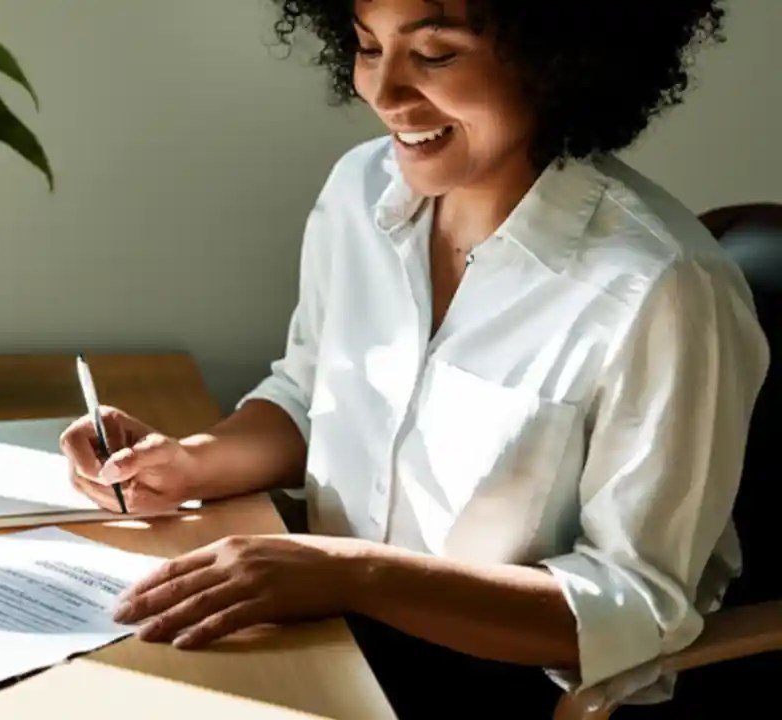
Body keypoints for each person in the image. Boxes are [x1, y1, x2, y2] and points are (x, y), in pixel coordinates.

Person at [59, 0, 769, 716]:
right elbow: (307, 396)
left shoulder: (664, 288)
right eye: (369, 48)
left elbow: (634, 605)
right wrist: (189, 462)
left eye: (434, 55)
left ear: (557, 64)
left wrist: (353, 575)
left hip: (501, 687)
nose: (384, 93)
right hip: (332, 633)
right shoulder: (358, 190)